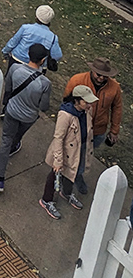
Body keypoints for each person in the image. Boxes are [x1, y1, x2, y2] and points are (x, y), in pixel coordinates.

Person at [0, 43, 51, 193]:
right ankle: (15, 144)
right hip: (28, 117)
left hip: (12, 111)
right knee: (17, 135)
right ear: (42, 60)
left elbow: (8, 88)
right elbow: (44, 107)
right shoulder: (45, 83)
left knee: (5, 140)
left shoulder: (15, 69)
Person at [64, 57, 122, 194]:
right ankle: (64, 175)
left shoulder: (114, 88)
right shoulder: (77, 80)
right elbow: (66, 101)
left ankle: (77, 175)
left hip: (97, 131)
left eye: (105, 75)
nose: (101, 78)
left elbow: (117, 108)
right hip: (77, 128)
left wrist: (114, 130)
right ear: (92, 70)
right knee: (70, 152)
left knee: (84, 155)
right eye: (98, 74)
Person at [39, 85, 98, 220]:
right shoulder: (65, 115)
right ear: (76, 100)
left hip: (78, 149)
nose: (89, 105)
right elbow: (58, 138)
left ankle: (66, 193)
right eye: (86, 102)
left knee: (72, 172)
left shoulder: (86, 111)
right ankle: (46, 200)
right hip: (64, 151)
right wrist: (58, 160)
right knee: (55, 175)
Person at [3, 6, 62, 70]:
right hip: (37, 66)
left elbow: (13, 42)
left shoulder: (26, 28)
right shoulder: (53, 38)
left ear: (37, 16)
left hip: (18, 60)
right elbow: (57, 56)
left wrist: (5, 51)